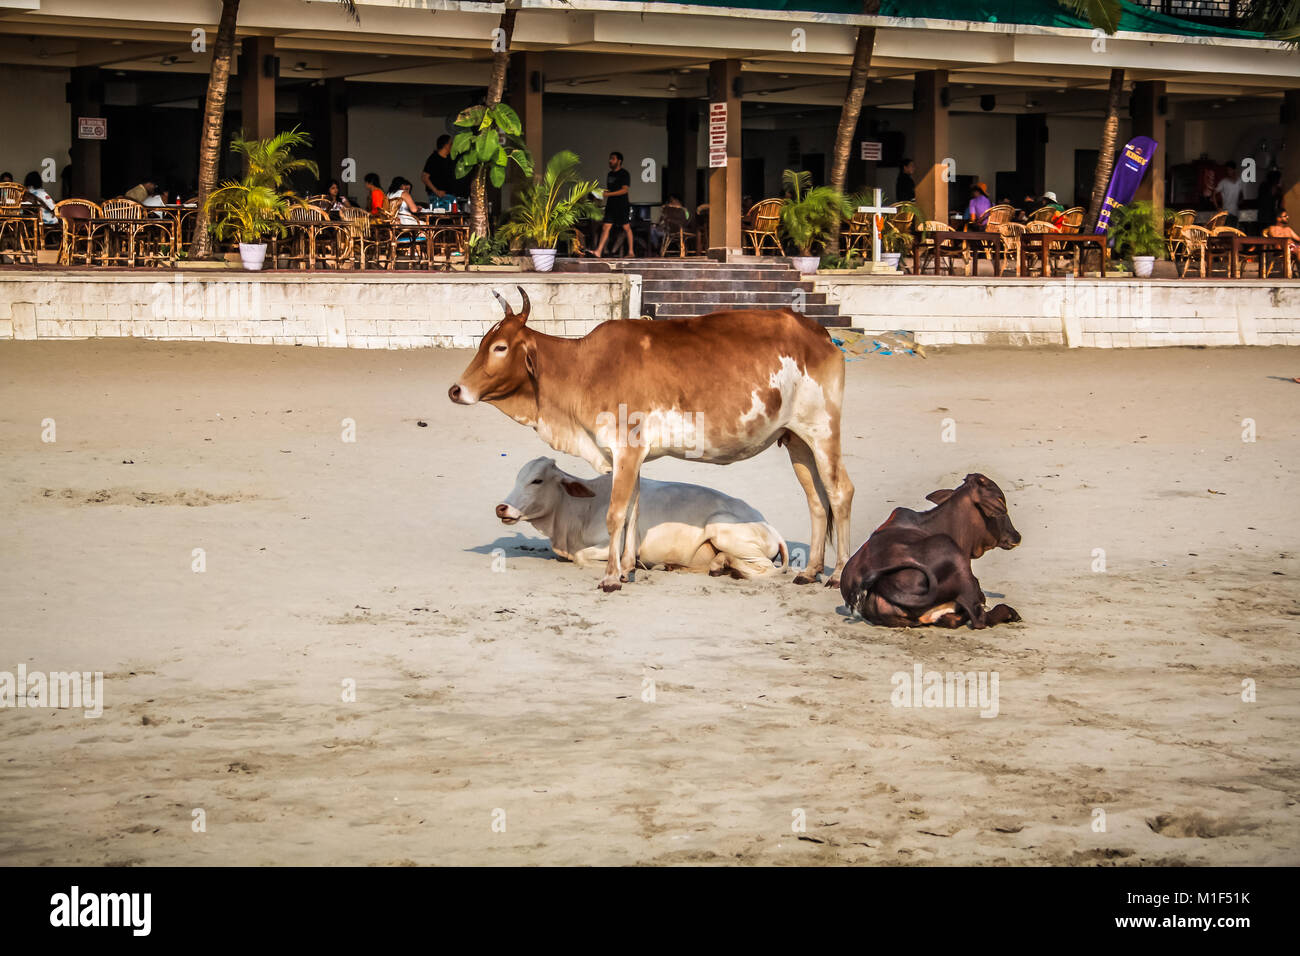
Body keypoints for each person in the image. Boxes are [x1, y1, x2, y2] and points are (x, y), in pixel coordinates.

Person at [593, 151, 634, 258]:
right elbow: (611, 189)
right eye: (610, 159)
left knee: (626, 227)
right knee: (605, 227)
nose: (610, 161)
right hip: (611, 205)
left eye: (613, 159)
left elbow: (624, 190)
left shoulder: (624, 174)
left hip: (622, 205)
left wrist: (608, 194)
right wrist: (600, 193)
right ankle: (598, 251)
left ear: (619, 161)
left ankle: (631, 252)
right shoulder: (610, 174)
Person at [422, 134, 459, 208]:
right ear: (445, 145)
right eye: (450, 144)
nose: (452, 146)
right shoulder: (434, 158)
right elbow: (424, 177)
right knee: (441, 217)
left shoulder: (450, 159)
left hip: (451, 196)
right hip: (438, 197)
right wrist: (436, 191)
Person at [1213, 161, 1243, 229]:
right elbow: (1213, 194)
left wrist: (1241, 200)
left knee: (1234, 232)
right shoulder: (1223, 182)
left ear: (1234, 170)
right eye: (1227, 170)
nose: (1228, 172)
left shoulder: (1239, 181)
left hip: (1235, 212)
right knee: (1227, 232)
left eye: (1230, 170)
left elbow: (1241, 194)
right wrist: (1217, 207)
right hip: (1226, 212)